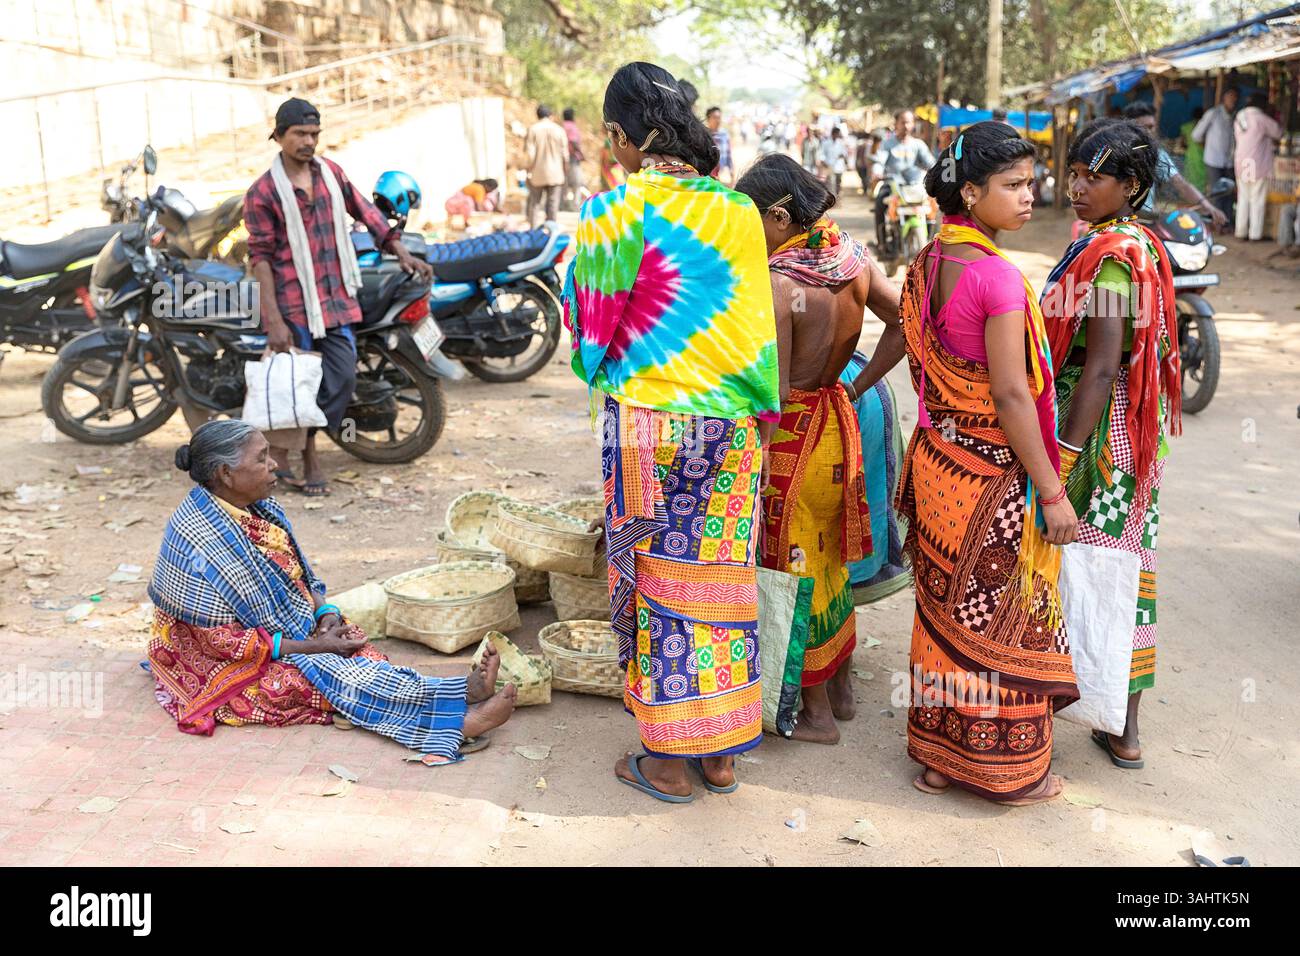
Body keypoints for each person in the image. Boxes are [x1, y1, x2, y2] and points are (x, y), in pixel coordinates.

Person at [562, 62, 779, 803]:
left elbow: (589, 334)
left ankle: (665, 761)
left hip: (648, 427)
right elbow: (755, 328)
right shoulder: (741, 212)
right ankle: (719, 755)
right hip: (734, 425)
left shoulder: (612, 211)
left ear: (620, 136)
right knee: (720, 583)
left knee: (657, 583)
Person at [147, 420, 517, 758]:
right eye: (262, 459)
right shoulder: (198, 536)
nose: (275, 463)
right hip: (217, 662)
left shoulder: (260, 508)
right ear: (225, 473)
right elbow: (220, 643)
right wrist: (317, 645)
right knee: (315, 681)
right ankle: (457, 721)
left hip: (283, 630)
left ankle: (461, 694)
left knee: (355, 652)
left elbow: (302, 577)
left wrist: (324, 613)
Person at [897, 122, 1078, 805]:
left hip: (938, 462)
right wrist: (1052, 491)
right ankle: (1003, 767)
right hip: (990, 476)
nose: (1029, 197)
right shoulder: (997, 278)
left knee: (945, 612)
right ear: (970, 192)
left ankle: (940, 758)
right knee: (1003, 615)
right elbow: (1009, 393)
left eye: (1031, 183)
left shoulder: (929, 261)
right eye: (1013, 185)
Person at [735, 154, 903, 743]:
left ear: (779, 216)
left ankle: (816, 716)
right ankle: (842, 689)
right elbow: (905, 322)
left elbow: (774, 392)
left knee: (791, 567)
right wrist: (856, 384)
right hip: (837, 424)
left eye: (752, 220)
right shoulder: (851, 258)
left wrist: (746, 461)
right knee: (829, 560)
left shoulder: (783, 281)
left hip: (792, 441)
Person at [1041, 119, 1181, 770]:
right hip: (1133, 435)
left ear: (1130, 186)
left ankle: (1043, 714)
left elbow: (1099, 366)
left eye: (1093, 176)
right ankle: (1123, 729)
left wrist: (1064, 458)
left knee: (1073, 567)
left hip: (1098, 434)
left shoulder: (1113, 258)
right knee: (1126, 571)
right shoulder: (1134, 242)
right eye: (1074, 173)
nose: (1076, 187)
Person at [245, 97, 433, 499]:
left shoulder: (331, 174)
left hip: (336, 301)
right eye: (299, 134)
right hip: (293, 305)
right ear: (278, 136)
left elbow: (368, 213)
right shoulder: (263, 192)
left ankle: (302, 449)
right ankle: (308, 458)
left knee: (342, 379)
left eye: (314, 134)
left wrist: (401, 252)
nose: (308, 141)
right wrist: (273, 320)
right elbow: (259, 258)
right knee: (299, 387)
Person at [1121, 101, 1227, 231]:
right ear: (1128, 128)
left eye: (1151, 127)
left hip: (1143, 226)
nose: (1148, 132)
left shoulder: (1157, 154)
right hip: (1119, 226)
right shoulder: (1116, 155)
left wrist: (1207, 206)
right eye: (1142, 127)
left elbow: (1180, 183)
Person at [872, 110, 937, 248]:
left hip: (915, 187)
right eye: (903, 122)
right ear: (896, 124)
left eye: (909, 122)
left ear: (913, 124)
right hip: (893, 186)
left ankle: (932, 242)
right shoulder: (887, 144)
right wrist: (877, 172)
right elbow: (879, 162)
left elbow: (931, 162)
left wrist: (937, 171)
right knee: (879, 204)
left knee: (934, 206)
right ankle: (882, 243)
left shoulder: (918, 145)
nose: (906, 126)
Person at [1233, 93, 1283, 241]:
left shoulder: (1239, 117)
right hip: (1257, 164)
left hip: (1241, 163)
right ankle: (1255, 234)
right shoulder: (1261, 119)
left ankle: (1240, 232)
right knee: (1257, 199)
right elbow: (1278, 133)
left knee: (1243, 198)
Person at [1192, 86, 1238, 218]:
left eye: (1235, 96)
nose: (1233, 99)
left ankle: (1227, 222)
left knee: (1229, 193)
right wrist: (1207, 146)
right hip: (1213, 161)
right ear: (1224, 97)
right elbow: (1196, 135)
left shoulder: (1236, 116)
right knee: (1217, 194)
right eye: (1230, 96)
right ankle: (1217, 223)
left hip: (1229, 161)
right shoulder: (1213, 113)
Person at [525, 104, 569, 227]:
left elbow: (530, 154)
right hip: (556, 173)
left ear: (537, 115)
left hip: (537, 173)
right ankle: (551, 232)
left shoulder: (533, 129)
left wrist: (528, 170)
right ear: (550, 116)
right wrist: (565, 172)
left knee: (534, 203)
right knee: (553, 204)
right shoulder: (559, 130)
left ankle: (533, 231)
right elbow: (565, 155)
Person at [561, 107, 586, 212]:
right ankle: (575, 206)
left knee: (564, 182)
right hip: (573, 157)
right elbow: (573, 142)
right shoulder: (572, 127)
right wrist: (581, 154)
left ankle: (563, 205)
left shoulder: (561, 126)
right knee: (577, 182)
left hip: (562, 157)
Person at [1180, 107, 1208, 193]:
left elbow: (1183, 144)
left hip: (1191, 156)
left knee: (1191, 178)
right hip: (1204, 156)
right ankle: (1202, 198)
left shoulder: (1185, 127)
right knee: (1203, 178)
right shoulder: (1205, 128)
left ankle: (1192, 198)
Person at [706, 106, 735, 185]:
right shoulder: (705, 135)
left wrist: (732, 173)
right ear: (708, 119)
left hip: (721, 174)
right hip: (707, 175)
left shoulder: (724, 134)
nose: (717, 120)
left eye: (719, 117)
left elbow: (728, 154)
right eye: (714, 117)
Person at [818, 126, 849, 196]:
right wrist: (823, 161)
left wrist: (843, 156)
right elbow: (822, 153)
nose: (837, 135)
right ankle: (833, 197)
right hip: (829, 165)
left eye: (838, 134)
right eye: (836, 133)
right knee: (831, 182)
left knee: (838, 182)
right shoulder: (826, 143)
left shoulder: (840, 143)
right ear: (833, 133)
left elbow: (844, 153)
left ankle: (837, 195)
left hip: (839, 166)